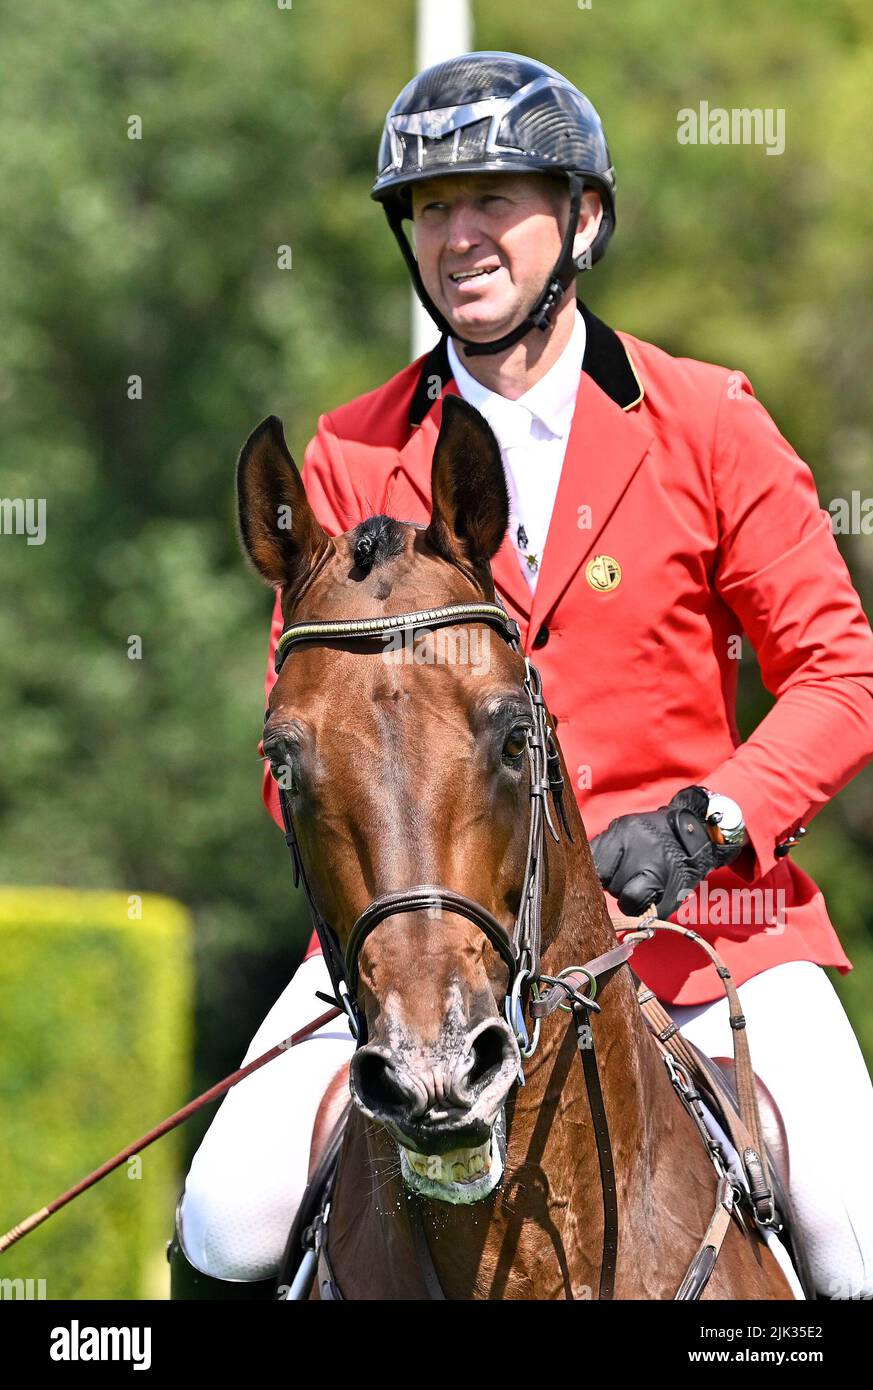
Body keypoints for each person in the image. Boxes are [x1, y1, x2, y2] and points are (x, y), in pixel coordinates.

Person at [169, 52, 873, 1300]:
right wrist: (398, 898)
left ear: (584, 218)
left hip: (705, 929)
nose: (462, 234)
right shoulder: (348, 456)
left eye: (497, 197)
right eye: (435, 208)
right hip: (425, 937)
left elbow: (841, 673)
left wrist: (709, 823)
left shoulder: (707, 421)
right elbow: (292, 760)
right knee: (226, 1214)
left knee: (855, 1225)